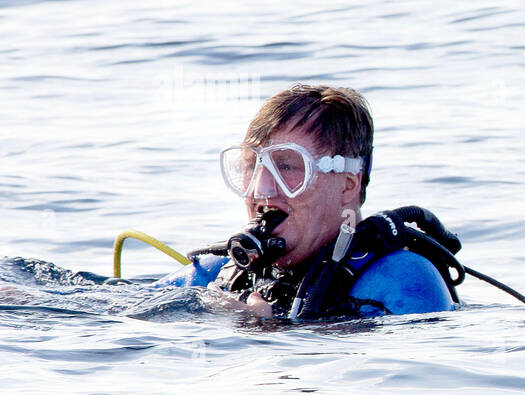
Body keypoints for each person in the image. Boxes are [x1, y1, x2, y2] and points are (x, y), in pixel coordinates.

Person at [156, 84, 457, 319]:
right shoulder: (214, 275)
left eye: (286, 167)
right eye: (250, 166)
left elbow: (408, 383)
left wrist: (258, 327)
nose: (261, 189)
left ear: (347, 185)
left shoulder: (403, 280)